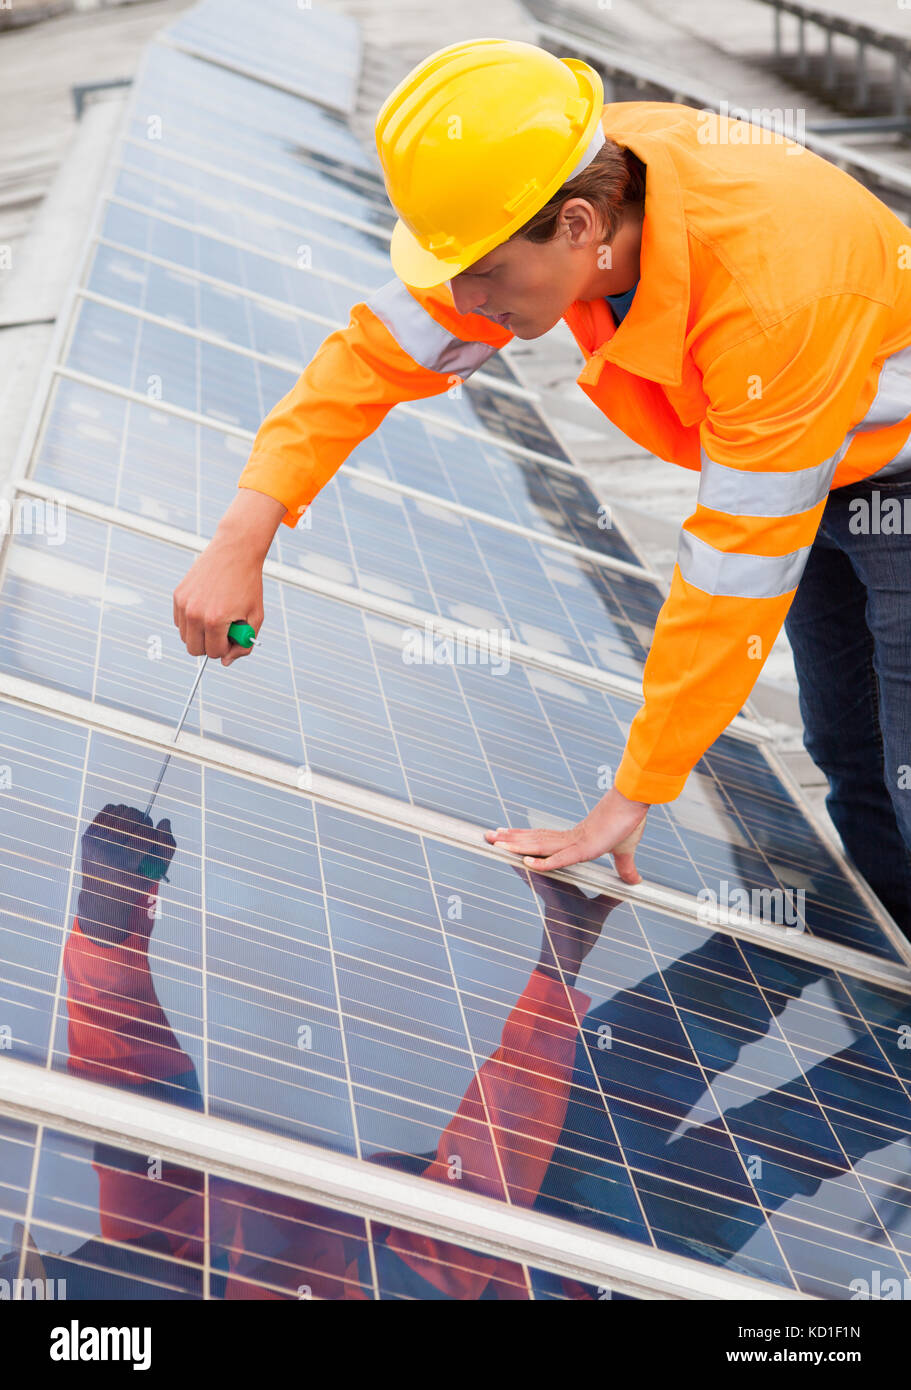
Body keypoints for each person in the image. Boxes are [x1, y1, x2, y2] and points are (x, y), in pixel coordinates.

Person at [172, 38, 911, 932]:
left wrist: (632, 795)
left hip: (886, 474)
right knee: (848, 751)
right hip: (809, 460)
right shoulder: (540, 189)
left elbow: (734, 570)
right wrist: (238, 540)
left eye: (483, 277)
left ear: (577, 228)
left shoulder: (772, 297)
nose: (467, 304)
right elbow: (367, 362)